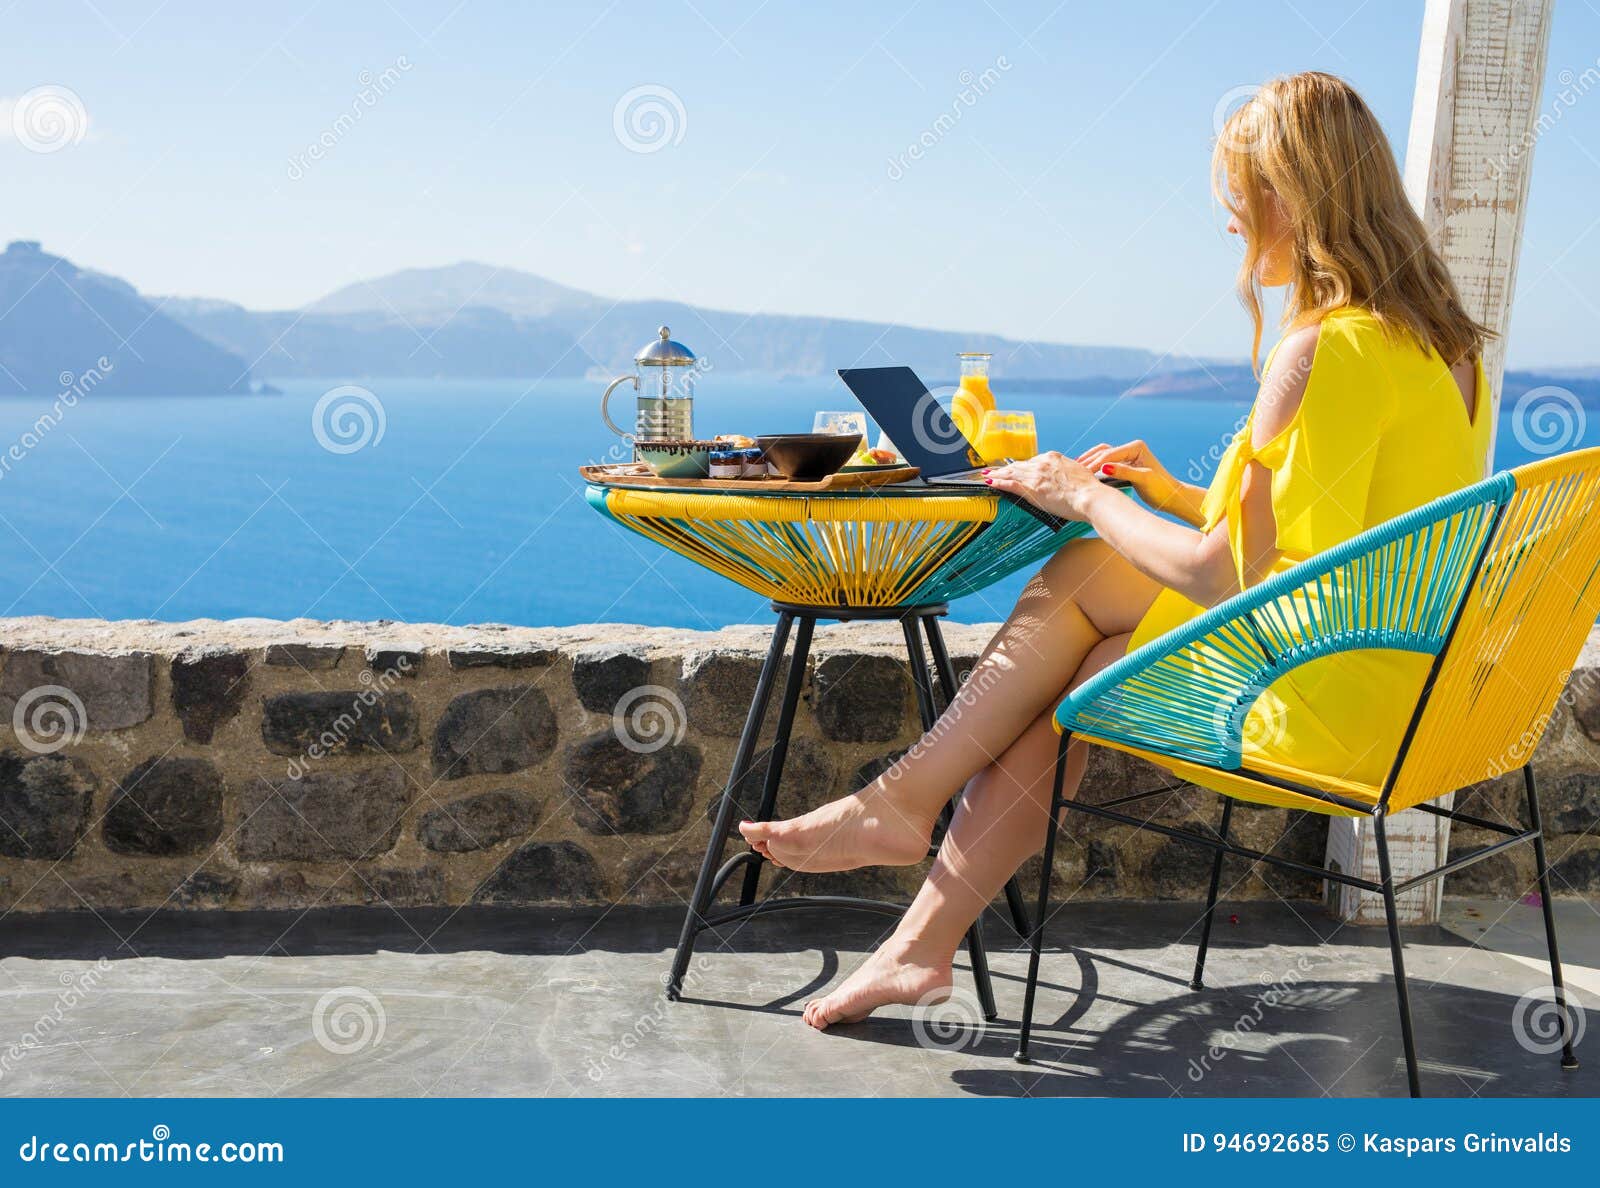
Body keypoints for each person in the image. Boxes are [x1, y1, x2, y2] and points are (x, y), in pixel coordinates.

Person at [740, 71, 1493, 1030]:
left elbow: (1226, 575)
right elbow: (1334, 531)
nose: (1229, 223)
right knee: (1092, 662)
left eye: (1239, 196)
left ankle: (899, 811)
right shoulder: (1449, 352)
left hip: (1319, 698)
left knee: (1079, 570)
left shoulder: (1321, 349)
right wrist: (1169, 494)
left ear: (1290, 198)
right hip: (1404, 681)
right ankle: (915, 939)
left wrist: (1083, 495)